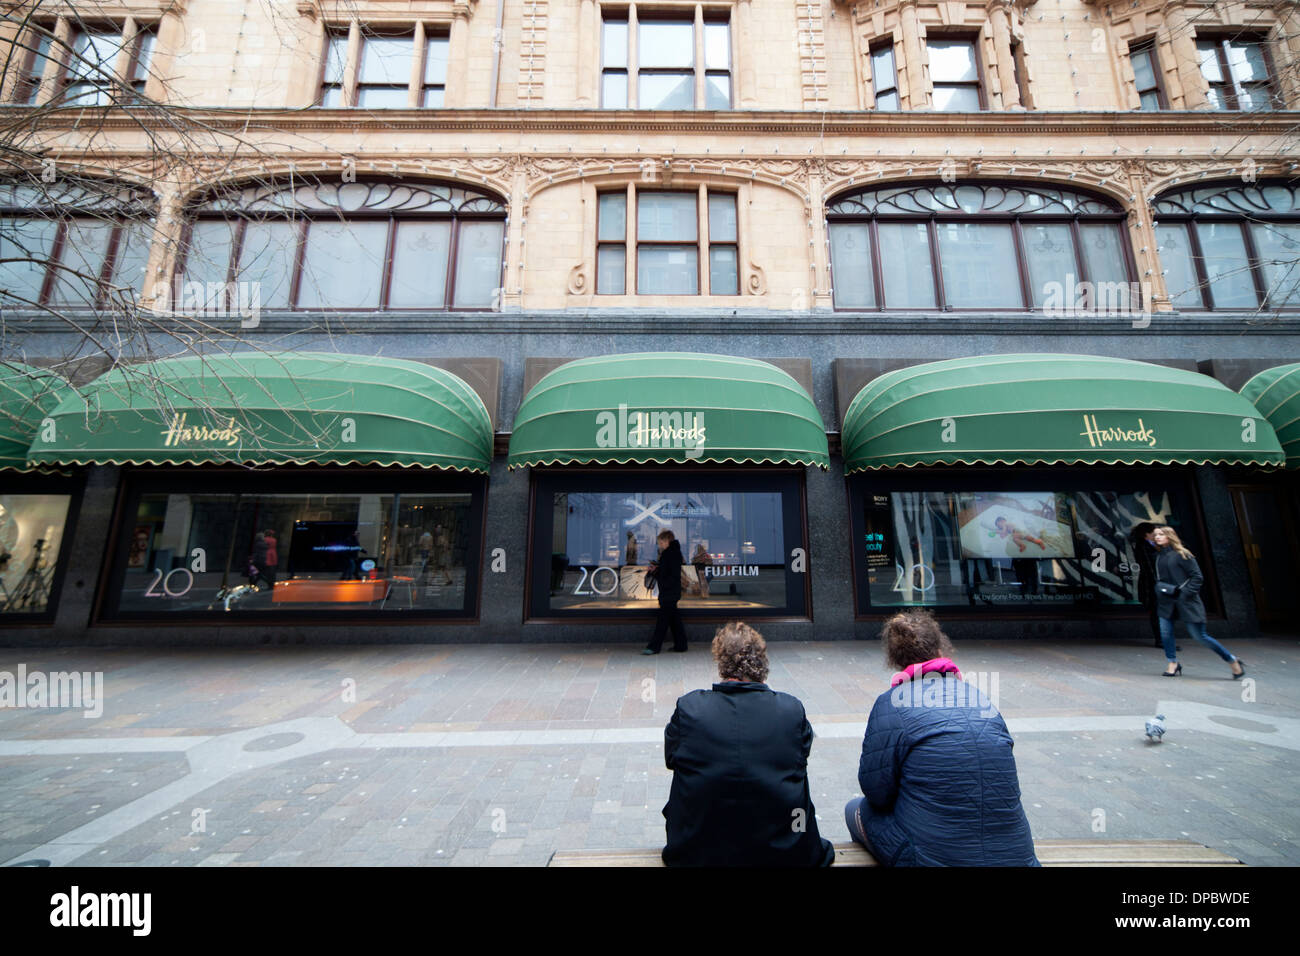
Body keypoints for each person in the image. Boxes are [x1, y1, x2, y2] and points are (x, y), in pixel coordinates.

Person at [845, 609, 1039, 866]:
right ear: (939, 650)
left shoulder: (891, 702)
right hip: (1017, 856)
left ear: (895, 659)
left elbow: (876, 792)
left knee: (856, 810)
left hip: (930, 859)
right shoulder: (978, 696)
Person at [662, 621, 834, 867]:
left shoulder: (690, 708)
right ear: (761, 662)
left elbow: (672, 760)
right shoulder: (790, 710)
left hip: (697, 850)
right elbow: (800, 756)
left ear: (721, 662)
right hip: (785, 849)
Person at [1153, 526, 1244, 679]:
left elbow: (1197, 577)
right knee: (1166, 634)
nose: (1157, 537)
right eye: (1156, 535)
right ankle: (1172, 663)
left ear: (1170, 536)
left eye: (1161, 534)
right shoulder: (1159, 556)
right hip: (1166, 600)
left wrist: (1184, 594)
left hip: (1186, 601)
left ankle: (1232, 660)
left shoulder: (1183, 554)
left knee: (1200, 636)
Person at [643, 529, 687, 654]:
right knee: (674, 620)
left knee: (662, 621)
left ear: (666, 540)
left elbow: (667, 575)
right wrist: (658, 569)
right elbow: (669, 573)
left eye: (661, 542)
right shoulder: (674, 553)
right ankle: (681, 645)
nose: (659, 545)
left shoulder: (669, 554)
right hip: (672, 591)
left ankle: (654, 646)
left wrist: (656, 571)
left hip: (668, 592)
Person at [1131, 521, 1164, 648]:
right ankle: (1160, 639)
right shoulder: (1143, 546)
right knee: (1157, 612)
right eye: (1154, 533)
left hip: (1154, 582)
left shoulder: (1152, 545)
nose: (1156, 535)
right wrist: (1157, 583)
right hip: (1151, 584)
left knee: (1161, 612)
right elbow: (1148, 566)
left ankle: (1163, 639)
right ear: (1147, 534)